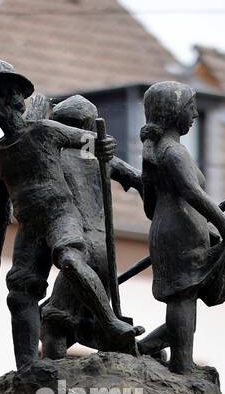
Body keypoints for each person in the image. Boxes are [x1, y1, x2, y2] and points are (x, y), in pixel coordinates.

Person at [0, 60, 140, 367]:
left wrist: (105, 148)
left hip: (61, 215)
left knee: (70, 260)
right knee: (19, 292)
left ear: (9, 98)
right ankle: (28, 367)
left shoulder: (45, 131)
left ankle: (109, 322)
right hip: (29, 228)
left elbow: (93, 143)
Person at [135, 81, 225, 374]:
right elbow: (192, 193)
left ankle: (146, 349)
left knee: (186, 298)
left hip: (175, 232)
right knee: (183, 298)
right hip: (179, 234)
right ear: (174, 112)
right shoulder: (173, 153)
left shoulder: (160, 152)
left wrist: (209, 230)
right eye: (190, 107)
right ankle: (182, 364)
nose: (196, 114)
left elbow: (150, 206)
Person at [39, 94, 145, 359]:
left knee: (53, 321)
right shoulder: (99, 157)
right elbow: (141, 182)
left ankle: (52, 381)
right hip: (105, 254)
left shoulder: (55, 157)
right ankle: (135, 349)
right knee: (86, 318)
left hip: (78, 249)